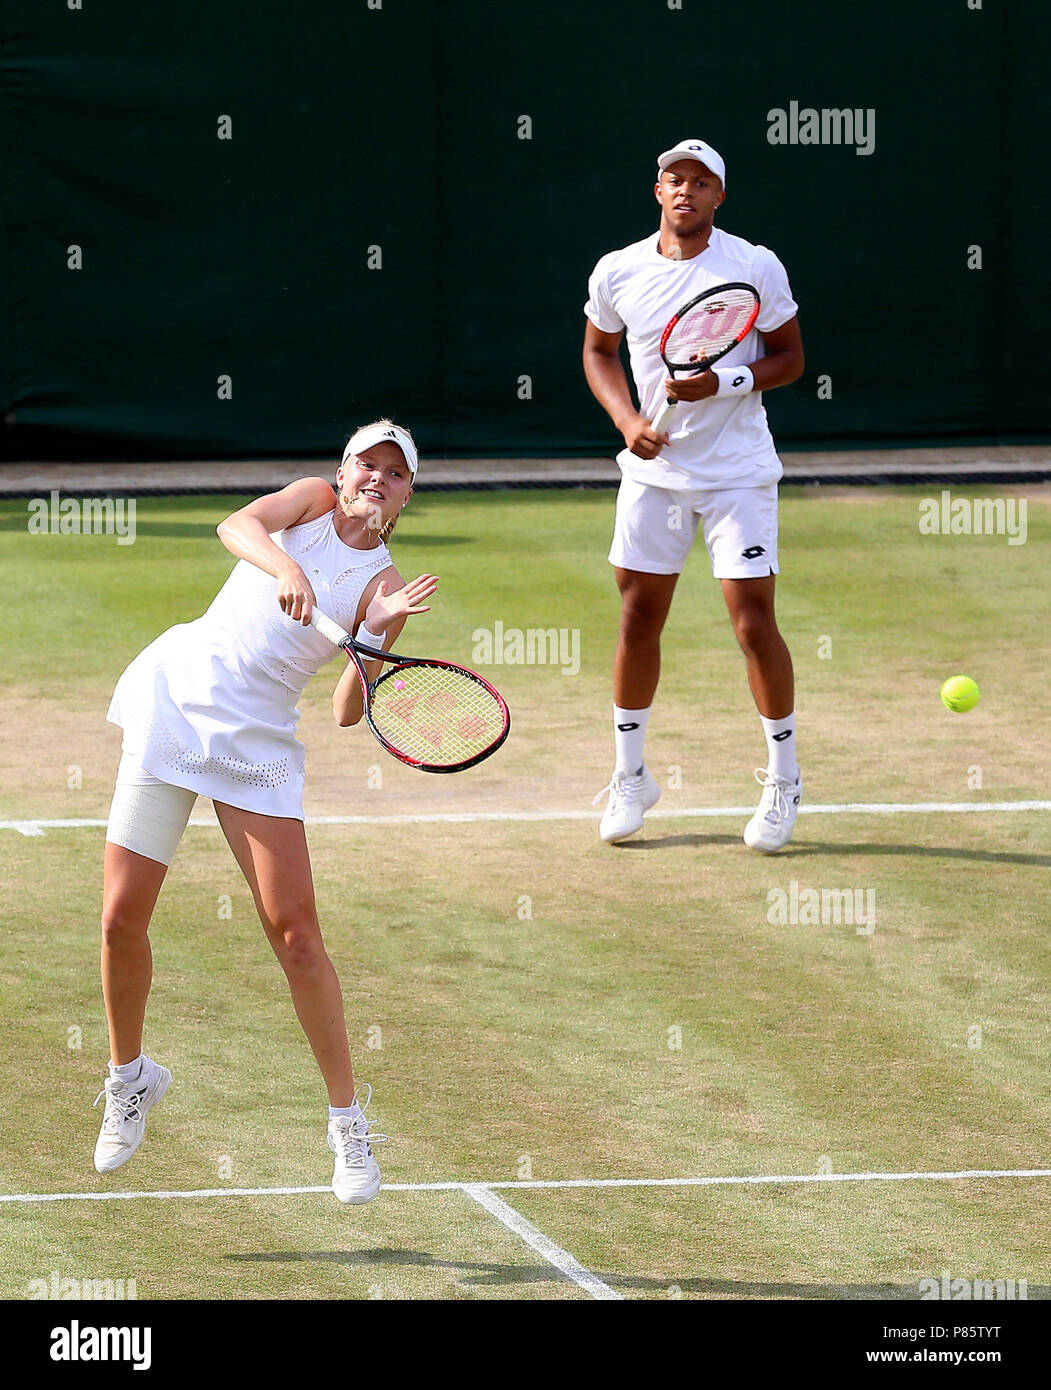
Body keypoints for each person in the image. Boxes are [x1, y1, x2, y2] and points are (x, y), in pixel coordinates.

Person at [95, 420, 437, 1203]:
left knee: (298, 938)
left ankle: (349, 1129)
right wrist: (289, 568)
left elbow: (350, 710)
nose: (375, 479)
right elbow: (234, 524)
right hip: (173, 703)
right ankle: (129, 1079)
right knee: (119, 918)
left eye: (394, 473)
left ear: (405, 495)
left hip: (256, 743)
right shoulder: (308, 503)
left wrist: (380, 631)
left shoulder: (385, 587)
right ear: (342, 473)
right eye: (365, 465)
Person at [583, 139, 805, 851]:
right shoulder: (618, 269)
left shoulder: (753, 265)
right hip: (654, 476)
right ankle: (630, 776)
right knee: (636, 619)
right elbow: (597, 351)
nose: (686, 190)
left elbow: (790, 358)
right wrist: (626, 420)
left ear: (718, 197)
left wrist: (725, 382)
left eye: (700, 181)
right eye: (674, 179)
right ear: (657, 191)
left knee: (750, 622)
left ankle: (782, 778)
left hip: (738, 471)